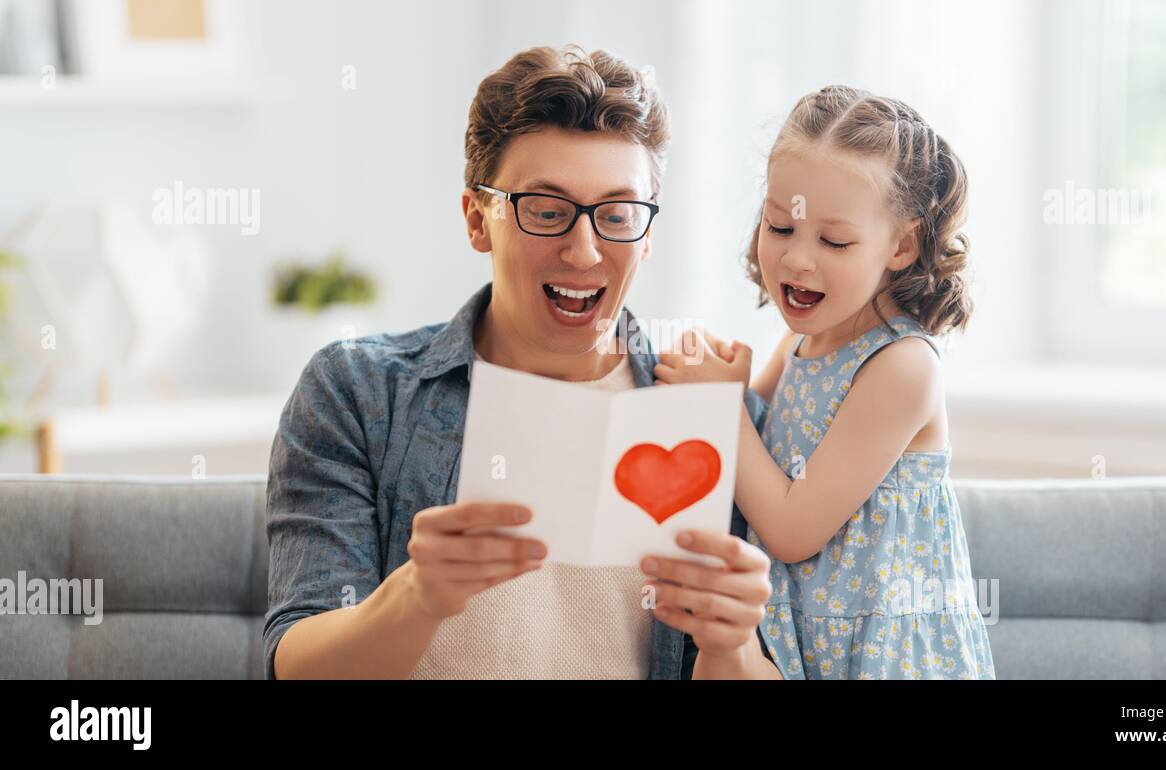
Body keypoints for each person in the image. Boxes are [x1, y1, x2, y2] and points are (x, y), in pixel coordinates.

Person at [263, 45, 779, 680]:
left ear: (646, 237)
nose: (585, 252)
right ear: (479, 220)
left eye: (617, 215)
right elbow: (296, 665)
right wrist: (416, 596)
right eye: (546, 211)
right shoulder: (357, 392)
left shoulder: (714, 410)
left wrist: (733, 647)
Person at [655, 86, 995, 679]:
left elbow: (791, 528)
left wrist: (719, 406)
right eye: (780, 226)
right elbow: (742, 453)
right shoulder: (798, 344)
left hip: (881, 646)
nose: (796, 260)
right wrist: (717, 384)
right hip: (800, 626)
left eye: (833, 241)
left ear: (902, 245)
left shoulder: (902, 366)